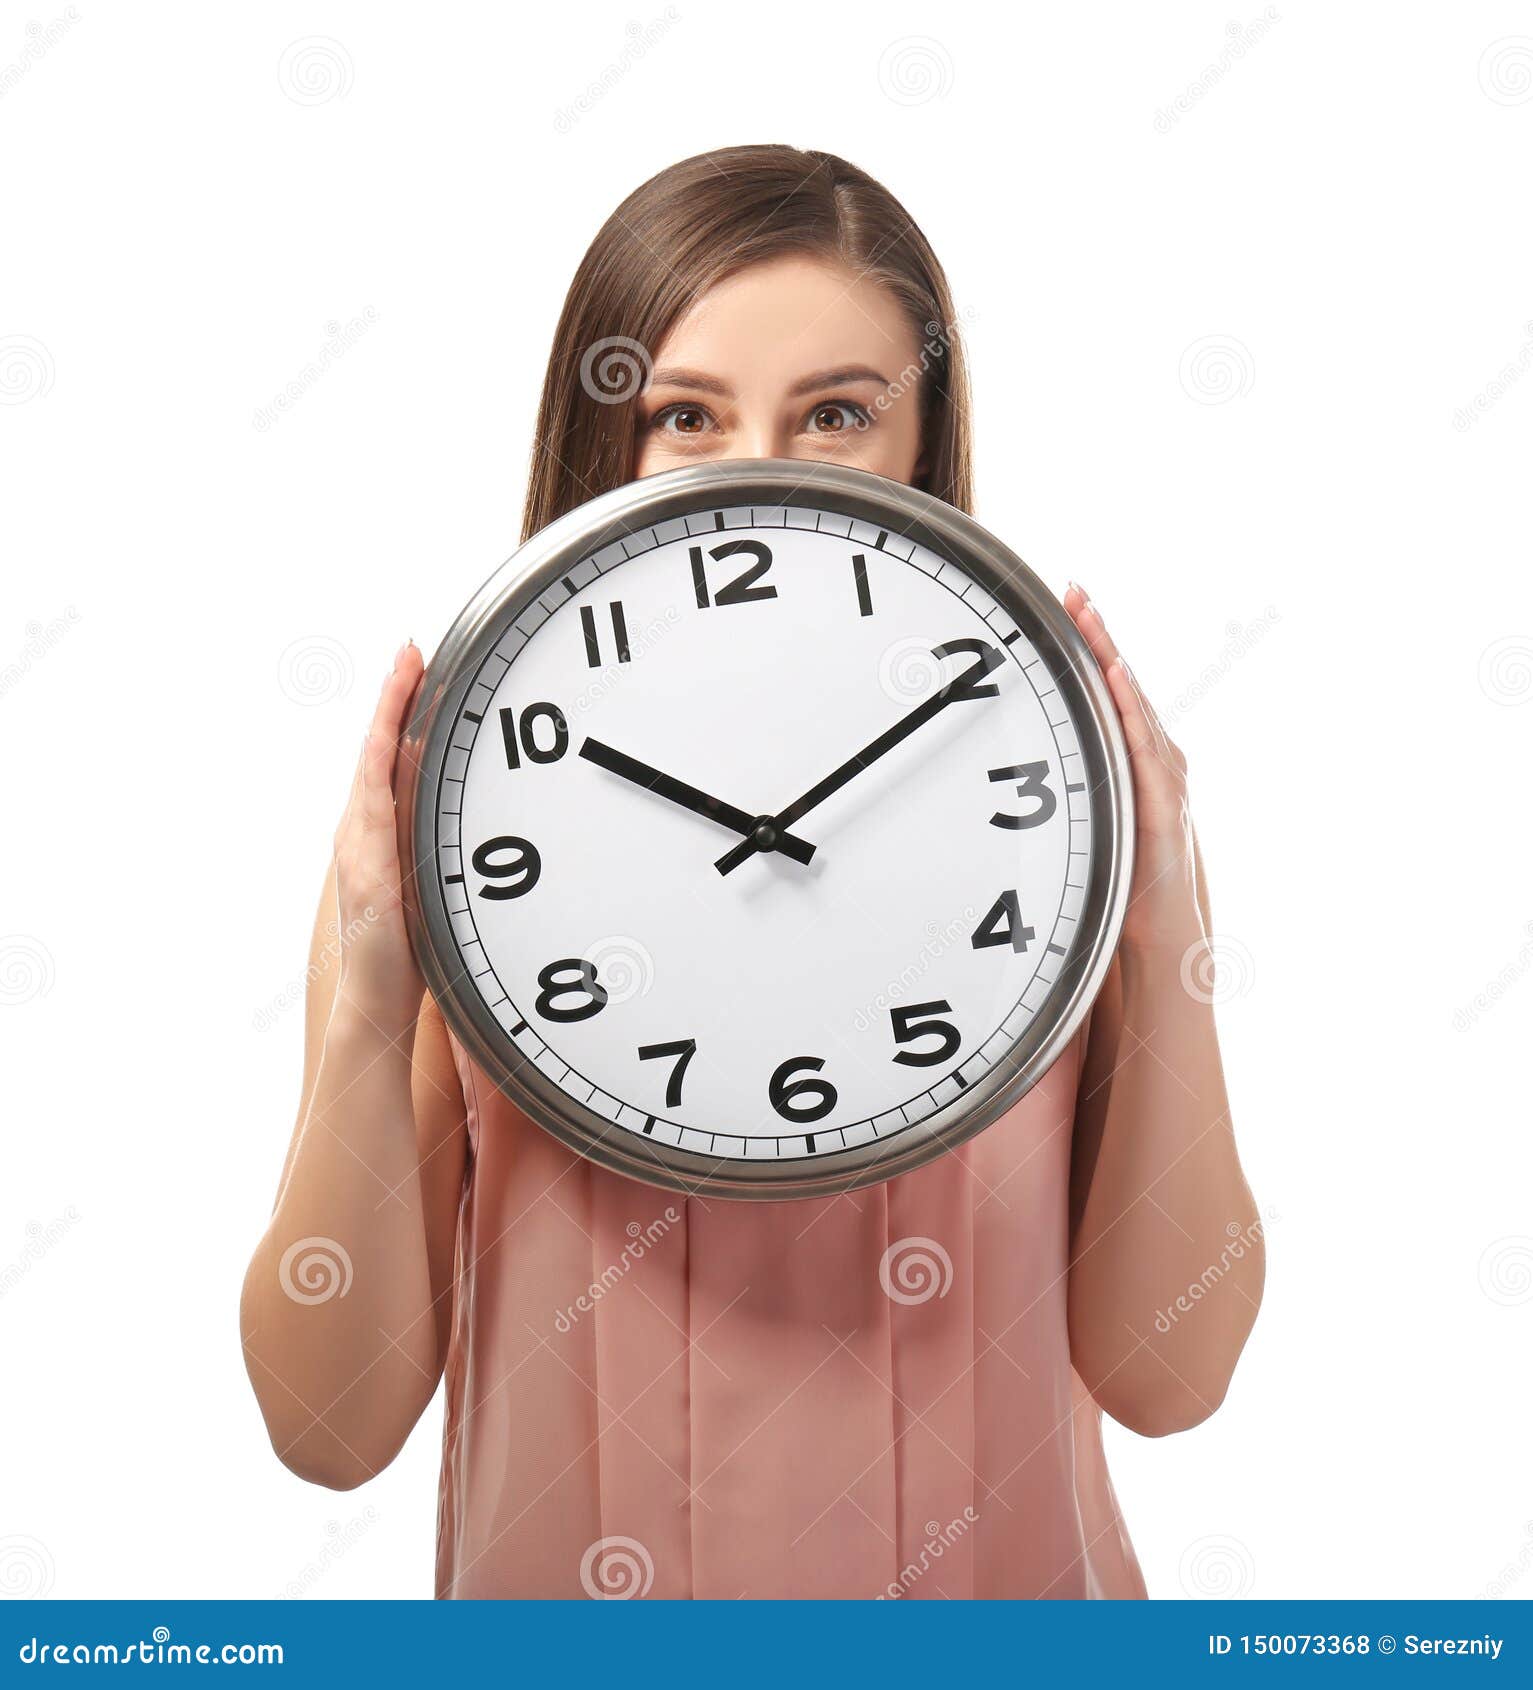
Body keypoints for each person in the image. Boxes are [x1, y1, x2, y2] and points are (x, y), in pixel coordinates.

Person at [241, 144, 1263, 1600]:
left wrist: (1160, 915)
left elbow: (1172, 1374)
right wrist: (362, 1000)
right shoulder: (466, 827)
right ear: (609, 448)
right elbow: (326, 1428)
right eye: (686, 414)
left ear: (922, 440)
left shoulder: (1060, 819)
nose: (763, 468)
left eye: (835, 411)